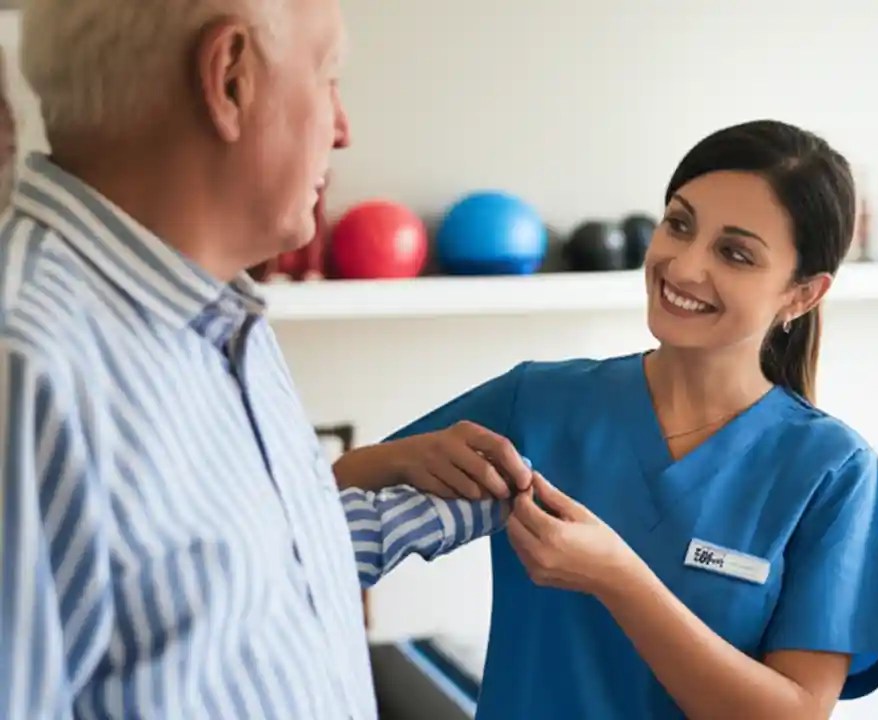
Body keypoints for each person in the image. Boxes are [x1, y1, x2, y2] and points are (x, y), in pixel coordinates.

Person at [0, 1, 532, 717]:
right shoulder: (26, 370)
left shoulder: (223, 317)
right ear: (229, 79)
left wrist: (458, 507)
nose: (344, 129)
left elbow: (246, 574)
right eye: (329, 78)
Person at [337, 119, 878, 719]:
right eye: (679, 224)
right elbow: (315, 500)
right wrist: (397, 457)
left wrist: (618, 580)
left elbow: (796, 713)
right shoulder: (537, 401)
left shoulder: (832, 470)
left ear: (802, 294)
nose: (682, 268)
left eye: (734, 253)